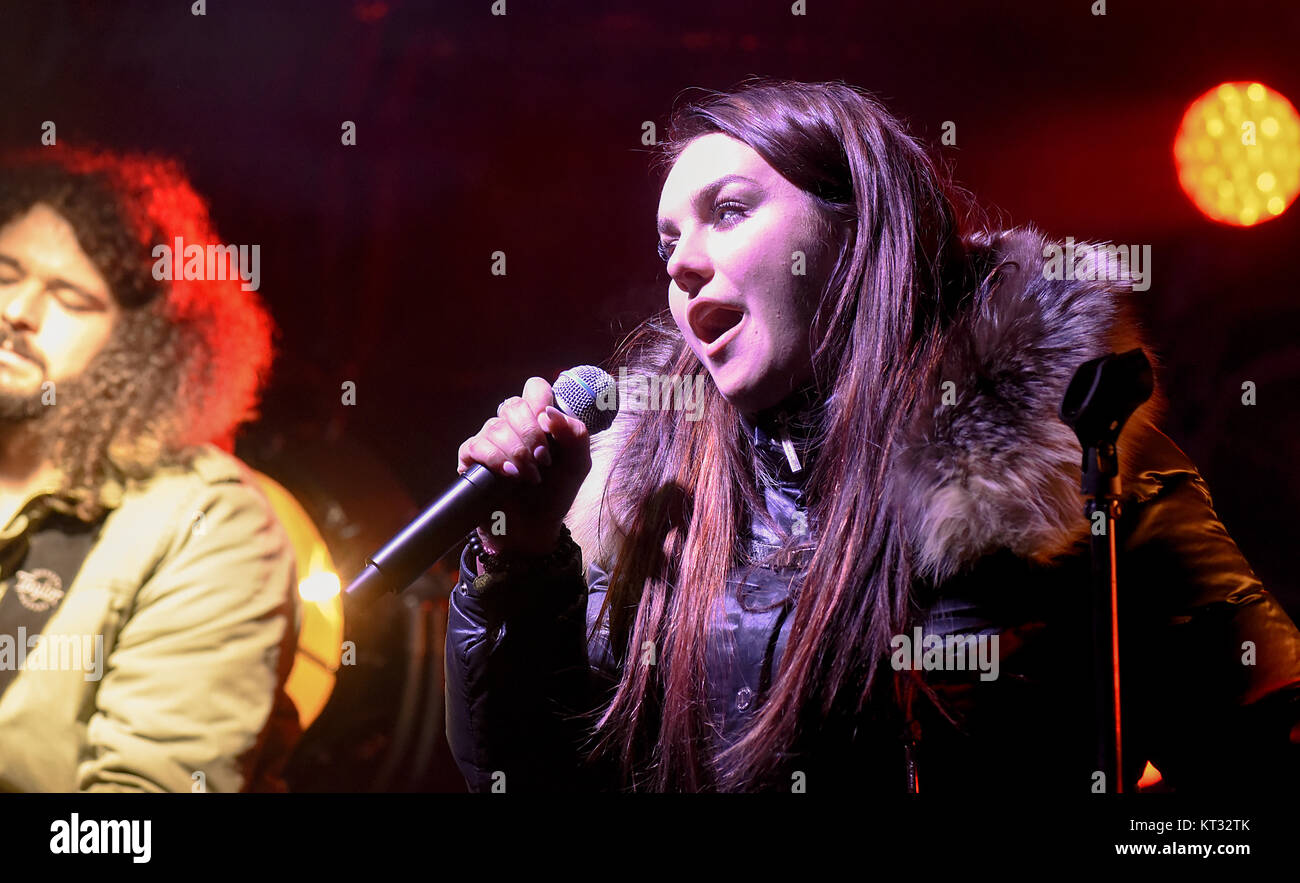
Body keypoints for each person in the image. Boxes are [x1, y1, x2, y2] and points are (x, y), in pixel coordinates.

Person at [444, 79, 1300, 793]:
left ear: (854, 229)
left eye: (730, 211)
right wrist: (520, 562)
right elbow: (522, 770)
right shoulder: (651, 502)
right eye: (668, 240)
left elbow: (1262, 745)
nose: (679, 262)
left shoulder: (1068, 448)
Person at [0, 146, 300, 792]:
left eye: (71, 297)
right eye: (4, 272)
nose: (19, 311)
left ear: (141, 347)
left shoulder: (209, 525)